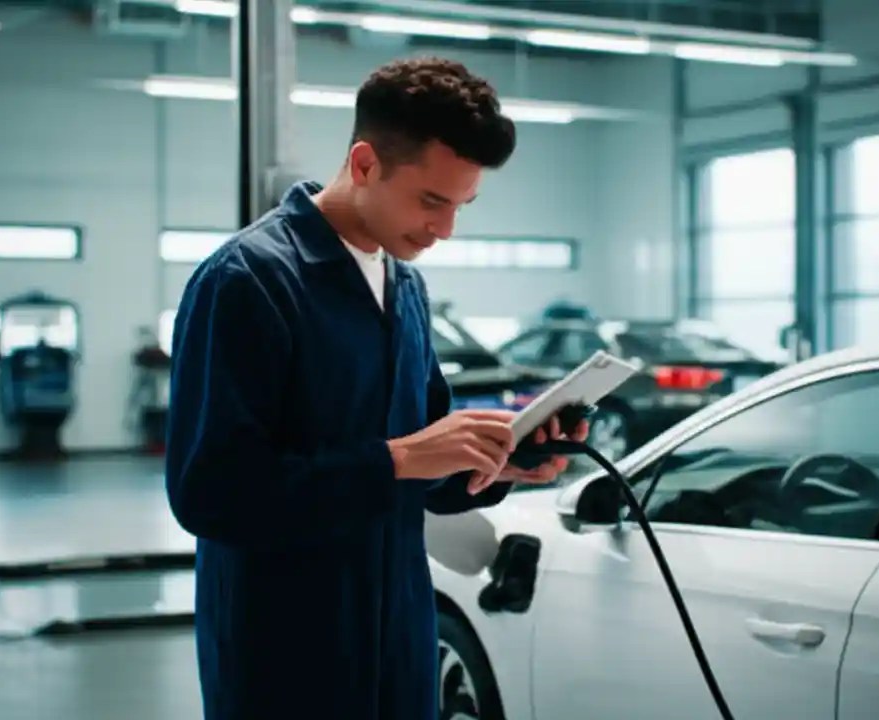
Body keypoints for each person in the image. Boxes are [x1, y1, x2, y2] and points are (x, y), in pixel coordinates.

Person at [165, 56, 588, 720]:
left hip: (399, 642)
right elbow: (212, 494)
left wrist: (504, 459)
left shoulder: (406, 290)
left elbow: (432, 475)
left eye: (461, 206)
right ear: (364, 164)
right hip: (285, 653)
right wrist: (398, 458)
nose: (445, 229)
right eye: (431, 200)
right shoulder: (248, 283)